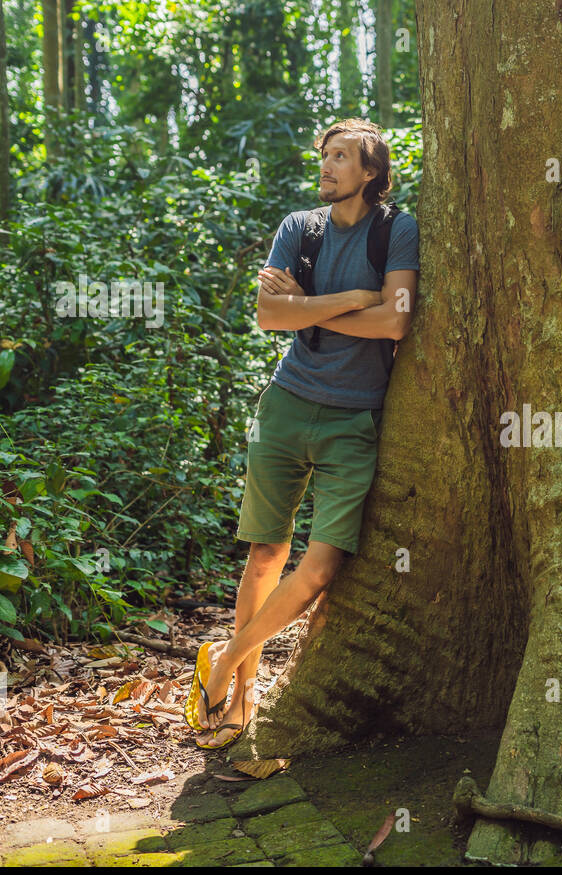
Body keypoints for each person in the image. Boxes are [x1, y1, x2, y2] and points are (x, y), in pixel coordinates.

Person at [186, 118, 419, 749]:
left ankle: (228, 660)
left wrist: (310, 306)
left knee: (318, 567)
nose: (326, 165)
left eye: (341, 157)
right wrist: (351, 299)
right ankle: (242, 696)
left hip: (355, 418)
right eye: (324, 154)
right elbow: (269, 315)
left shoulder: (396, 229)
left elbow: (396, 325)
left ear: (370, 172)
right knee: (266, 553)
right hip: (286, 404)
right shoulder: (299, 229)